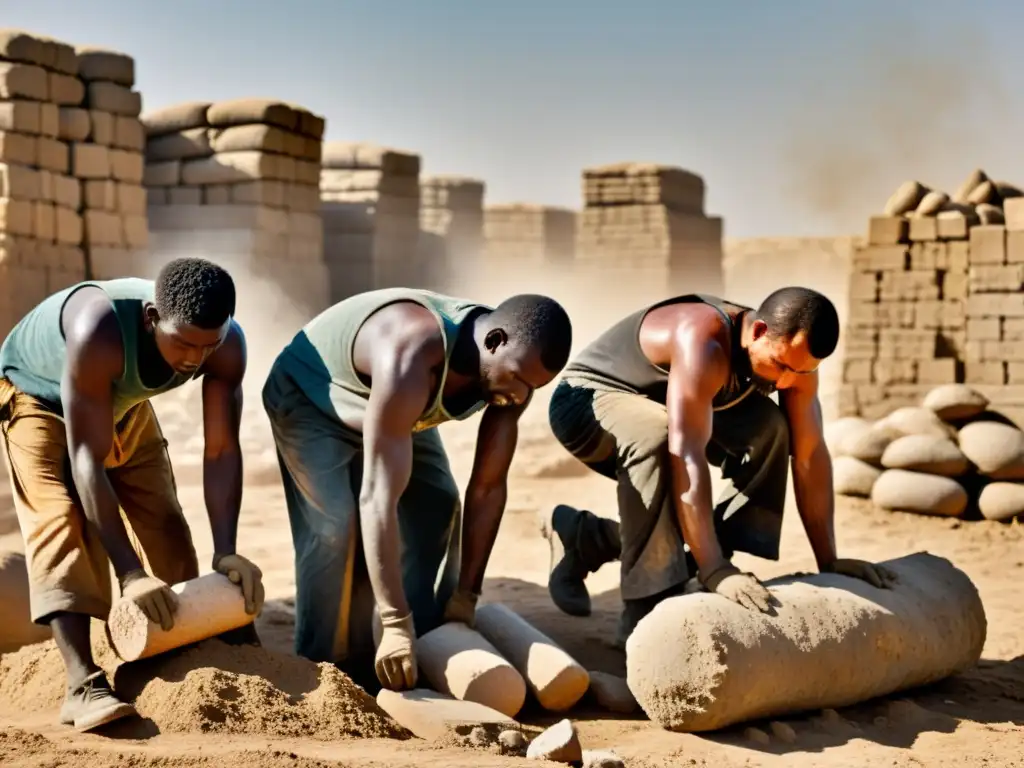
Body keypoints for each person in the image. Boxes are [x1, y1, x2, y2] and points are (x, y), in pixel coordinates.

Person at [542, 287, 896, 647]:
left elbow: (809, 456)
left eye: (800, 371)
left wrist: (830, 560)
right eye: (781, 366)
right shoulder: (704, 341)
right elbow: (685, 453)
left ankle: (592, 539)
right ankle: (648, 603)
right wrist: (717, 571)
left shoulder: (794, 364)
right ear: (758, 332)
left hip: (668, 408)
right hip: (587, 404)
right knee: (661, 439)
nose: (786, 382)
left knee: (773, 430)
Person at [0, 258, 265, 732]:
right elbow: (86, 459)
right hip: (37, 396)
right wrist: (129, 573)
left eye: (209, 345)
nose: (193, 360)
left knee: (163, 521)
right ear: (150, 319)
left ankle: (175, 649)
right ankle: (82, 684)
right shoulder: (98, 330)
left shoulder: (227, 346)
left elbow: (222, 449)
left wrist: (226, 550)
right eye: (182, 343)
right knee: (61, 521)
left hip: (119, 403)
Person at [262, 288, 573, 691]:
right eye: (516, 379)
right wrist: (393, 624)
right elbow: (378, 499)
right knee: (336, 526)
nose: (519, 396)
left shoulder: (512, 375)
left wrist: (467, 593)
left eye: (533, 387)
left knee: (438, 503)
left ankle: (428, 635)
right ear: (494, 341)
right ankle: (327, 668)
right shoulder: (412, 351)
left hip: (397, 408)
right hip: (313, 394)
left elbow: (488, 488)